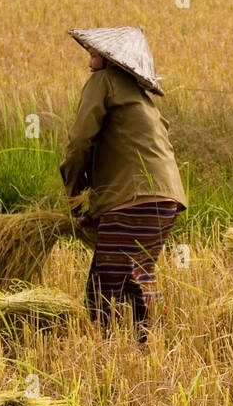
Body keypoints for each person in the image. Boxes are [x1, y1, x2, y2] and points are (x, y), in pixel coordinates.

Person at [60, 27, 187, 338]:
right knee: (133, 276)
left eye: (97, 52)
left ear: (113, 59)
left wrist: (73, 192)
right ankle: (145, 346)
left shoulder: (103, 82)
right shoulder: (141, 95)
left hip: (135, 200)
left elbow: (79, 141)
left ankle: (123, 351)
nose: (91, 56)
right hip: (165, 200)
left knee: (105, 288)